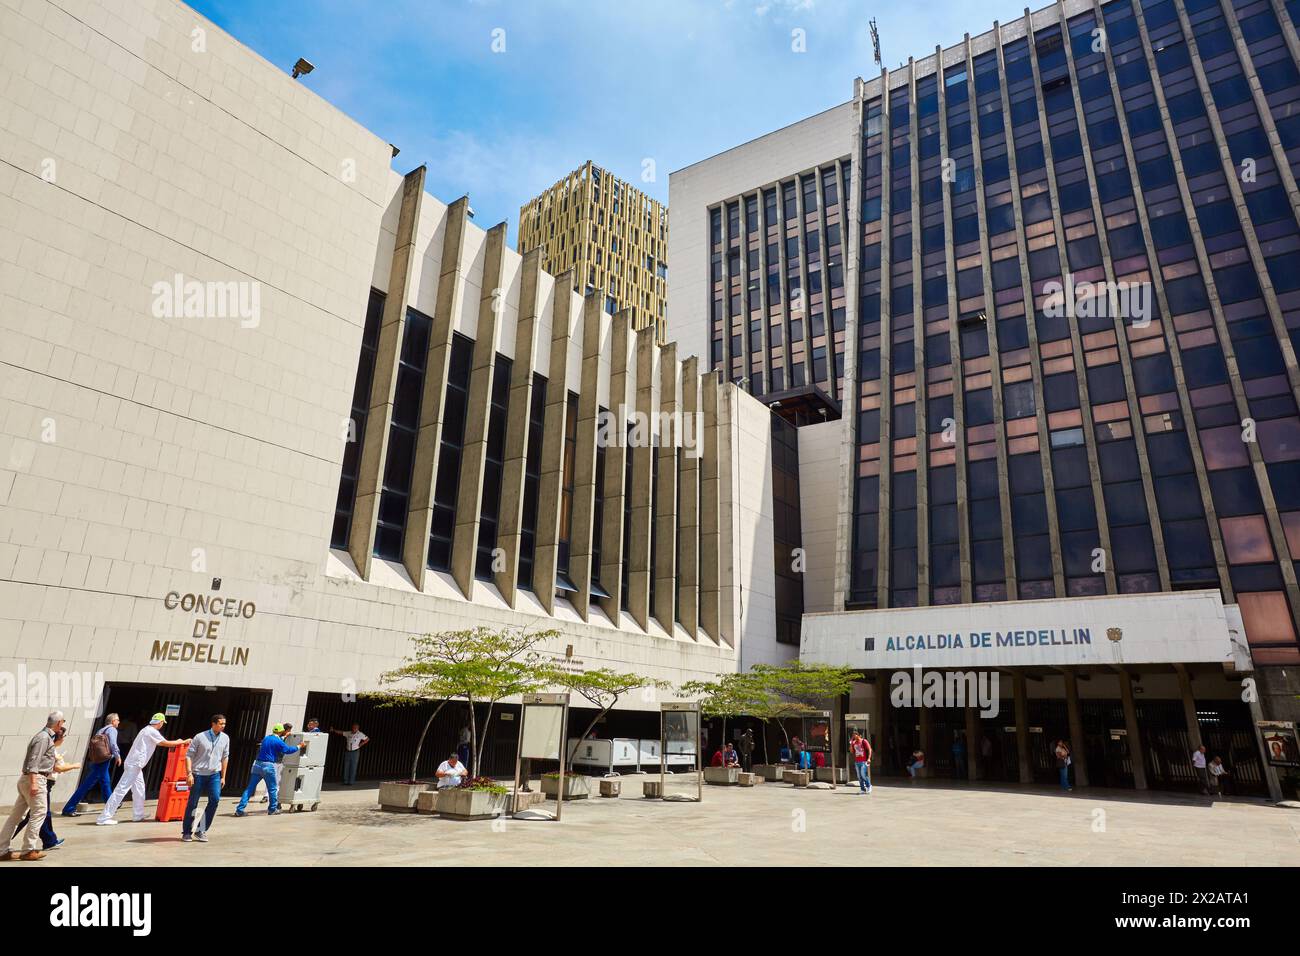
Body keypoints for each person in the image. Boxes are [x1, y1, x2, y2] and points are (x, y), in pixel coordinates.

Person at [96, 714, 190, 825]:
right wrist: (182, 741)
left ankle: (138, 815)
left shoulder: (146, 729)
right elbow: (165, 743)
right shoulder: (151, 731)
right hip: (134, 764)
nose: (162, 725)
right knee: (121, 789)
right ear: (159, 722)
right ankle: (104, 817)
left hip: (136, 764)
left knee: (139, 789)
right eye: (162, 723)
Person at [1, 711, 65, 861]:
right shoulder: (44, 738)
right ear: (58, 723)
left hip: (28, 779)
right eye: (62, 722)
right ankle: (28, 850)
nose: (63, 725)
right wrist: (35, 783)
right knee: (39, 812)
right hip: (35, 779)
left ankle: (2, 848)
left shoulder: (44, 736)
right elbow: (34, 761)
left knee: (16, 816)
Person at [14, 720, 79, 854]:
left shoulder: (48, 746)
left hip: (40, 783)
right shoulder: (49, 748)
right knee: (38, 814)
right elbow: (56, 768)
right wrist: (74, 766)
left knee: (36, 814)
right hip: (41, 783)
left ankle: (48, 840)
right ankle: (31, 847)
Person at [235, 725, 303, 816]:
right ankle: (272, 809)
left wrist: (283, 737)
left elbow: (273, 743)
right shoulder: (278, 741)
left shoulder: (266, 738)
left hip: (257, 765)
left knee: (249, 788)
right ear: (281, 731)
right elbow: (288, 750)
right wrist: (299, 746)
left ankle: (239, 810)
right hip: (268, 766)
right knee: (272, 788)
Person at [62, 712, 122, 816]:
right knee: (86, 785)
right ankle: (69, 808)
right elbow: (113, 743)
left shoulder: (101, 730)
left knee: (105, 783)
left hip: (98, 760)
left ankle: (111, 805)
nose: (119, 722)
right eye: (117, 720)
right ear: (113, 721)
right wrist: (117, 755)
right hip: (104, 761)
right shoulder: (112, 729)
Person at [182, 714, 229, 842]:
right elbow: (188, 756)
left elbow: (225, 757)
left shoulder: (225, 738)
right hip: (198, 774)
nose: (223, 726)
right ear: (213, 724)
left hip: (214, 774)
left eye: (224, 724)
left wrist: (223, 776)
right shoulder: (200, 737)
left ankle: (200, 830)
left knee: (214, 800)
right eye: (221, 723)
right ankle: (186, 832)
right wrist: (189, 773)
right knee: (193, 803)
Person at [850, 730, 873, 794]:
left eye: (855, 735)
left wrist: (869, 758)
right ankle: (862, 789)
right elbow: (851, 751)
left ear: (859, 735)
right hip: (857, 761)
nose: (854, 736)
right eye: (853, 735)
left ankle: (869, 786)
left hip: (863, 761)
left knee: (863, 775)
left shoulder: (864, 741)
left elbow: (869, 749)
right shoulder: (854, 743)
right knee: (859, 776)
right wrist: (851, 743)